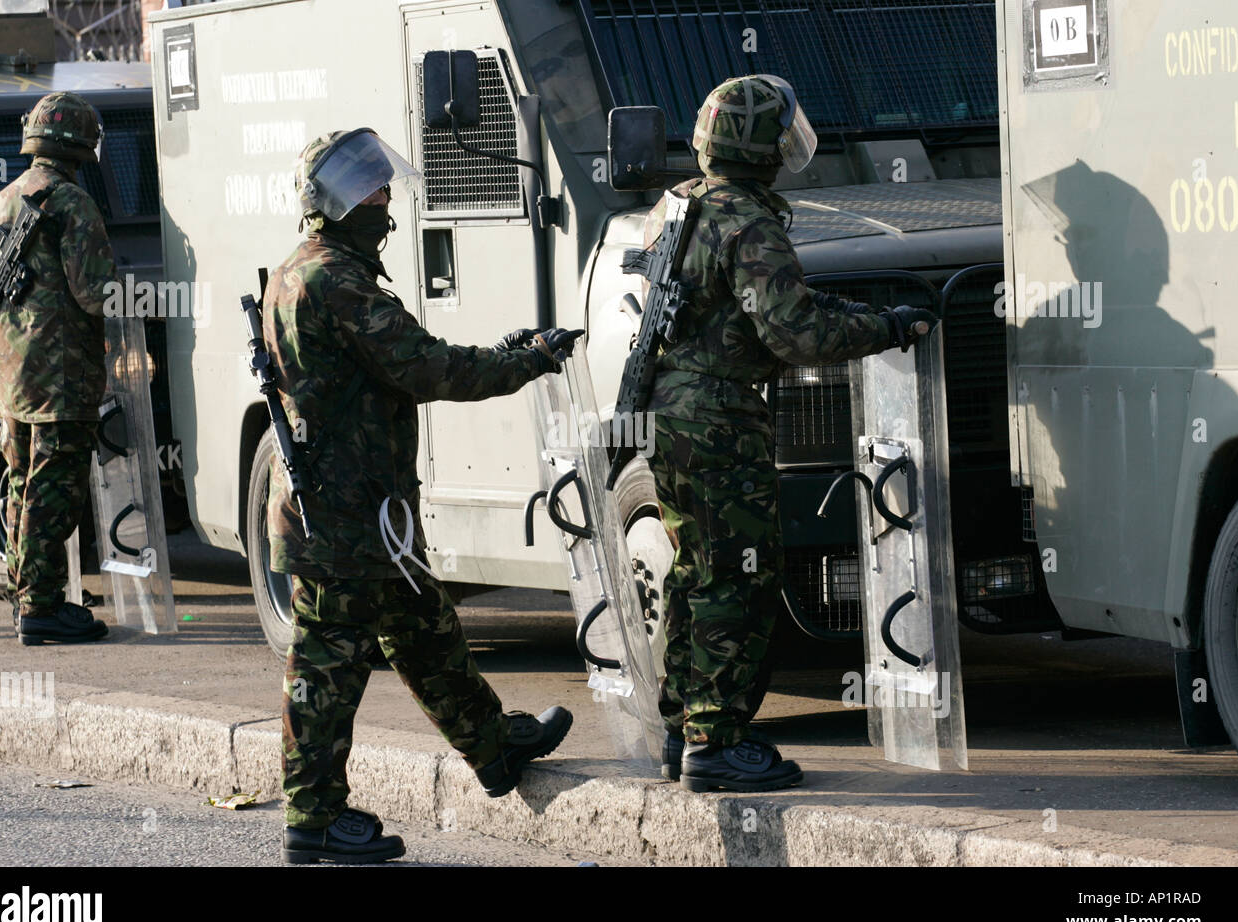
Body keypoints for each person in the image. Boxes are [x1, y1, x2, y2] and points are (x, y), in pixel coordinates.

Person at [268, 129, 583, 864]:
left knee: (423, 627)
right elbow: (430, 370)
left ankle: (495, 747)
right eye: (375, 191)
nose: (386, 202)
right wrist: (527, 362)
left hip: (359, 510)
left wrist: (505, 353)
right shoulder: (335, 279)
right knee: (326, 665)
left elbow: (397, 365)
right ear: (342, 202)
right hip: (345, 516)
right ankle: (313, 819)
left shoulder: (306, 270)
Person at [644, 76, 934, 792]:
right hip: (719, 421)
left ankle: (682, 727)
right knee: (737, 579)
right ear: (761, 146)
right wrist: (888, 328)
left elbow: (749, 309)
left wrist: (842, 308)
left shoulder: (684, 207)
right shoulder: (749, 221)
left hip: (672, 415)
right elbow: (793, 332)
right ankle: (715, 742)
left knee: (694, 572)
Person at [0, 92, 114, 646]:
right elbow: (93, 294)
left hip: (12, 374)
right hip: (61, 377)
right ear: (80, 145)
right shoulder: (72, 205)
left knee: (21, 482)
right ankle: (41, 607)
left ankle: (24, 595)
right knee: (53, 490)